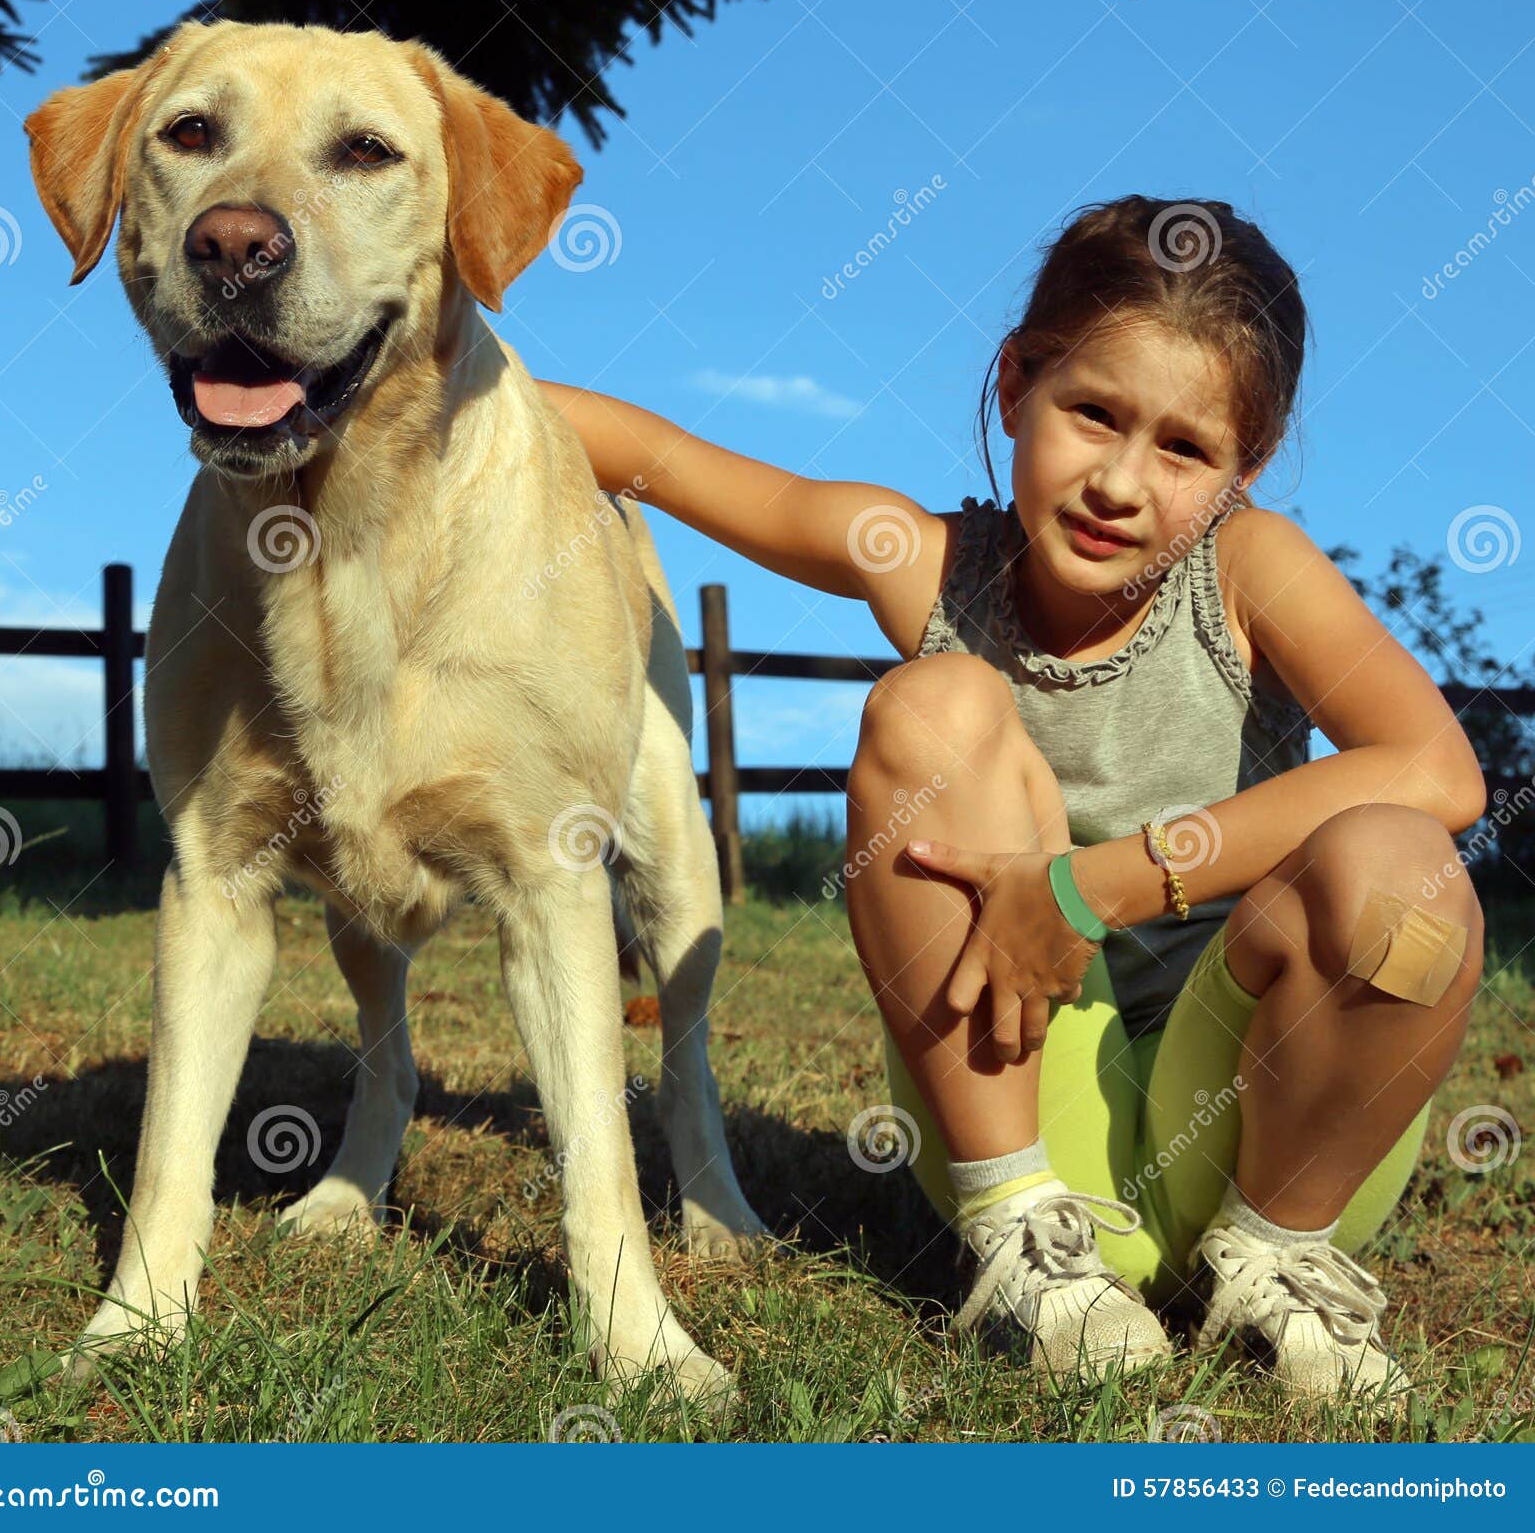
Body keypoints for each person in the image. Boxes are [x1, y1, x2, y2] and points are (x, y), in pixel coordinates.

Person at [534, 195, 1487, 1403]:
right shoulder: (923, 564)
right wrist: (371, 373)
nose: (1120, 483)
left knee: (1400, 866)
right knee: (932, 704)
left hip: (1269, 1126)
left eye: (1184, 449)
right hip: (1031, 1119)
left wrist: (1090, 888)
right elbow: (655, 457)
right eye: (1091, 413)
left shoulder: (1249, 572)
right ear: (1013, 385)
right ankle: (1027, 1249)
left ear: (1243, 469)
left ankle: (1281, 1267)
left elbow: (1438, 770)